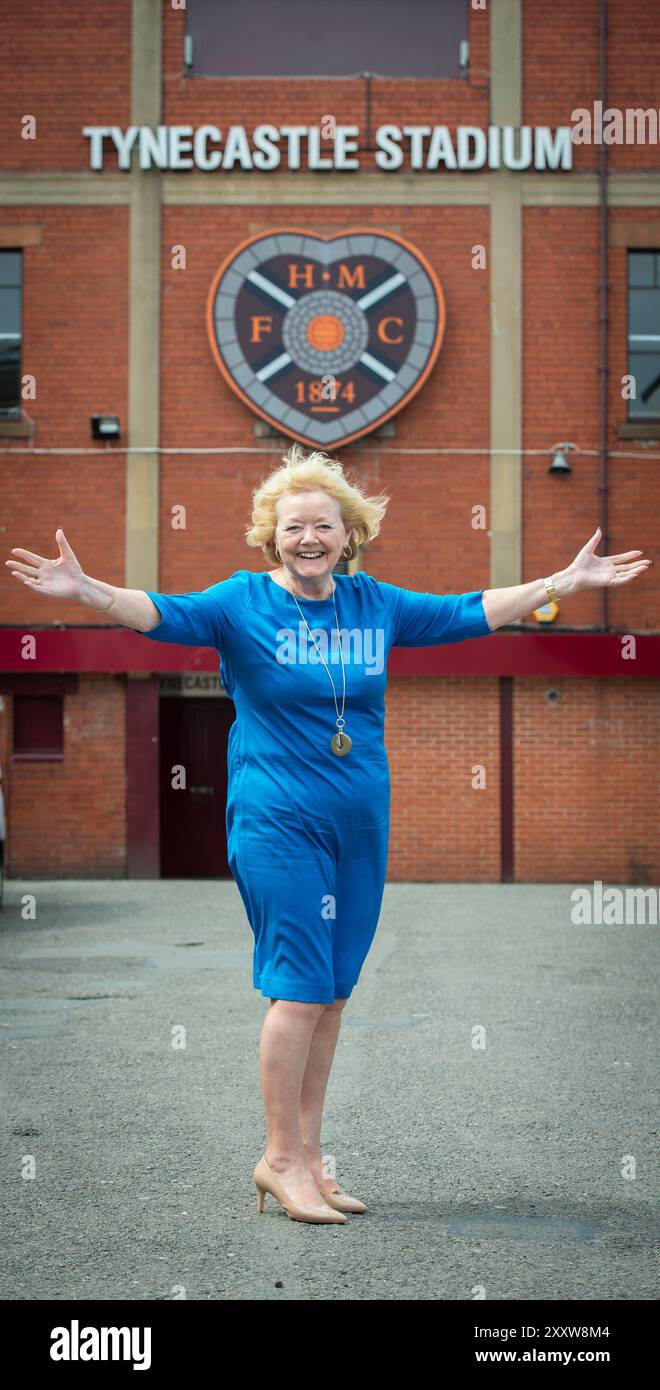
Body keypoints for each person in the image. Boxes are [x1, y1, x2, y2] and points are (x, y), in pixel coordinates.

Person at [6, 444, 652, 1225]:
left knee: (336, 994)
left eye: (323, 525)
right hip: (277, 816)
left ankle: (311, 1156)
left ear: (349, 534)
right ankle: (278, 1159)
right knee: (299, 986)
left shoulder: (373, 604)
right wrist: (88, 591)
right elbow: (159, 612)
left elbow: (467, 611)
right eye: (292, 527)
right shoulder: (241, 603)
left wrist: (561, 583)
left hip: (359, 820)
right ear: (269, 535)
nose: (308, 538)